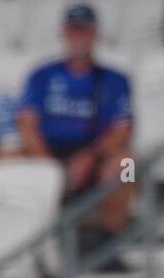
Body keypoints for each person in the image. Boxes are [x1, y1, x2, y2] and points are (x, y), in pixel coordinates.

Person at [18, 3, 133, 263]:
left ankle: (110, 244)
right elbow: (26, 125)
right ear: (64, 34)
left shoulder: (114, 79)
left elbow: (123, 129)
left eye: (84, 32)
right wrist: (49, 165)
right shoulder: (43, 75)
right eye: (73, 32)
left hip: (92, 153)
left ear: (95, 35)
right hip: (48, 152)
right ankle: (27, 254)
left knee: (126, 164)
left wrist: (90, 156)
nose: (78, 38)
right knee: (5, 157)